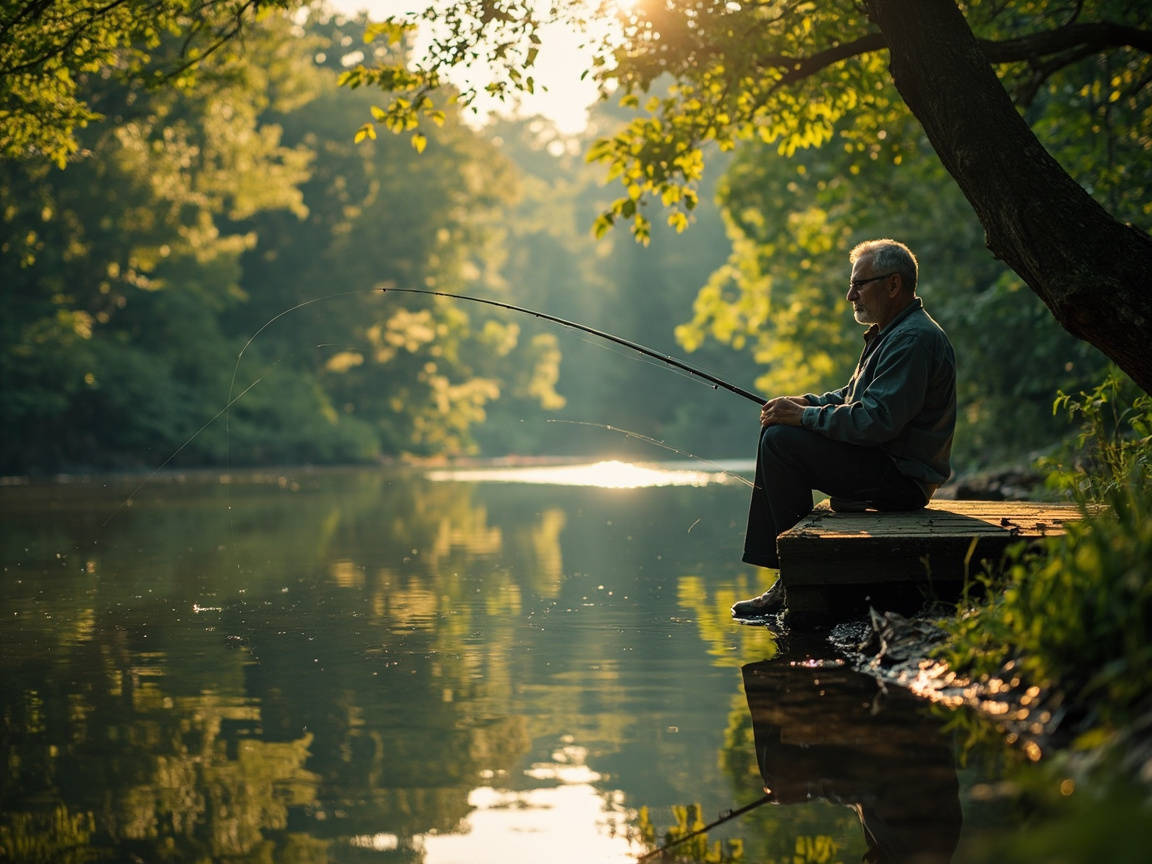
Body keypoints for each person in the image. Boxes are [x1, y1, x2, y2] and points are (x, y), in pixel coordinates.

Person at [732, 239, 956, 619]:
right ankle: (788, 574)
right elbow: (853, 397)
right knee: (778, 431)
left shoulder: (912, 339)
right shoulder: (893, 332)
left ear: (893, 285)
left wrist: (801, 419)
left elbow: (874, 421)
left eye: (859, 284)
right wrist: (807, 403)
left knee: (781, 441)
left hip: (902, 479)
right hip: (887, 466)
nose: (850, 295)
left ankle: (792, 579)